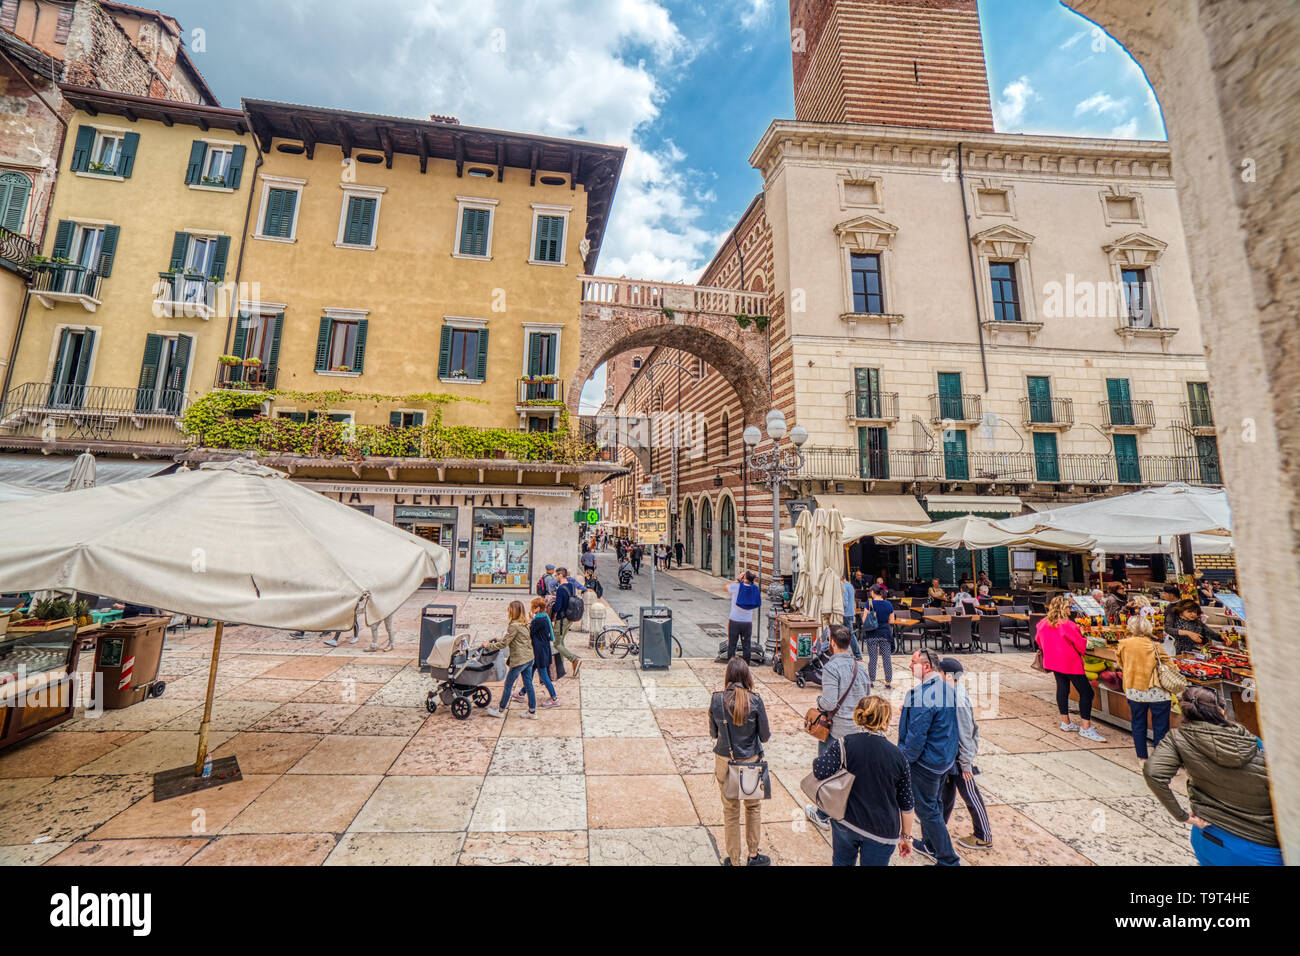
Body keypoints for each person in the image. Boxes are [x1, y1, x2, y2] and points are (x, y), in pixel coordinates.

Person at [1144, 686, 1281, 866]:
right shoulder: (1256, 745)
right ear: (1222, 711)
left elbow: (1152, 773)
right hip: (1259, 848)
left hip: (1207, 837)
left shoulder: (1178, 738)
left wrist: (1183, 816)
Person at [811, 695, 915, 866]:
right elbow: (907, 803)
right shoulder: (898, 756)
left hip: (846, 821)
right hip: (881, 831)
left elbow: (819, 770)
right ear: (885, 721)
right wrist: (906, 836)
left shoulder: (845, 744)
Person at [803, 626, 871, 831]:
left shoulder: (831, 668)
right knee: (850, 771)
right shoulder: (861, 668)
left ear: (832, 642)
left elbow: (830, 702)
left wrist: (819, 702)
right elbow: (867, 699)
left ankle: (823, 814)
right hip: (857, 728)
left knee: (827, 770)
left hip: (836, 730)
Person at [898, 648, 960, 866]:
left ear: (926, 666)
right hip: (944, 759)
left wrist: (902, 761)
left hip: (927, 763)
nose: (909, 665)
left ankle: (948, 859)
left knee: (928, 811)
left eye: (912, 662)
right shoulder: (947, 688)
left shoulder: (923, 696)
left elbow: (916, 739)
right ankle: (931, 844)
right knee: (936, 803)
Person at [708, 657, 772, 866]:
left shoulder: (717, 700)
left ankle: (734, 860)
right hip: (750, 760)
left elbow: (713, 733)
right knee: (752, 808)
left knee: (730, 811)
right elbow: (764, 736)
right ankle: (753, 856)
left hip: (725, 761)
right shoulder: (755, 700)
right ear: (747, 677)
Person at [935, 658, 993, 851]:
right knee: (947, 792)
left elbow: (966, 732)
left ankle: (983, 835)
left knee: (970, 794)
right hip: (954, 756)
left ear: (948, 676)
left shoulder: (957, 699)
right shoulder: (951, 693)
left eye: (939, 671)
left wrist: (966, 763)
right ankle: (938, 829)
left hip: (961, 757)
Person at [1036, 595, 1106, 742]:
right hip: (1069, 663)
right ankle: (1086, 727)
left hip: (1053, 662)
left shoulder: (1043, 623)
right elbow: (1080, 643)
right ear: (1063, 608)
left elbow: (1038, 641)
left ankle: (1065, 722)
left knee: (1062, 689)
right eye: (1068, 606)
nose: (1070, 609)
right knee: (1086, 692)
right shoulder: (1068, 625)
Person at [1115, 610, 1173, 765]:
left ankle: (1142, 757)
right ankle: (1159, 759)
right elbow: (1170, 665)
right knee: (1160, 726)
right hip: (1156, 691)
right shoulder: (1154, 645)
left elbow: (1120, 664)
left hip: (1134, 689)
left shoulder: (1124, 644)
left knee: (1138, 723)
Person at [481, 600, 537, 719]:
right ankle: (532, 712)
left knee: (508, 685)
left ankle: (500, 710)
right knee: (528, 685)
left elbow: (504, 644)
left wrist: (488, 646)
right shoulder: (524, 624)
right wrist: (500, 639)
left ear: (513, 611)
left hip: (520, 660)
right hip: (529, 658)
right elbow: (512, 639)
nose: (508, 611)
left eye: (510, 609)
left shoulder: (513, 626)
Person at [514, 597, 560, 708]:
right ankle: (521, 694)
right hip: (541, 650)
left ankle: (554, 699)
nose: (531, 609)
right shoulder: (544, 617)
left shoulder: (539, 620)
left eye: (533, 607)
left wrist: (530, 619)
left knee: (544, 676)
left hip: (540, 652)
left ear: (538, 608)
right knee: (530, 672)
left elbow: (530, 632)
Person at [549, 567, 583, 678]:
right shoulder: (572, 586)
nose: (555, 578)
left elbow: (558, 607)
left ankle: (574, 659)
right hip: (569, 618)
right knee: (561, 642)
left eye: (556, 575)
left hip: (561, 619)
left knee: (556, 643)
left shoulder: (561, 589)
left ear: (560, 575)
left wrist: (553, 604)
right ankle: (561, 668)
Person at [863, 585, 896, 689]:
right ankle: (888, 682)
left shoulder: (869, 603)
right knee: (887, 658)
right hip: (885, 634)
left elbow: (864, 620)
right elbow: (892, 621)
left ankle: (871, 681)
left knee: (873, 658)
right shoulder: (888, 604)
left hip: (872, 634)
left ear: (873, 592)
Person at [726, 571, 761, 662]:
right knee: (746, 645)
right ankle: (746, 665)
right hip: (747, 622)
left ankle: (731, 664)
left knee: (732, 644)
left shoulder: (736, 586)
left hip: (734, 621)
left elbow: (726, 587)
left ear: (744, 578)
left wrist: (737, 580)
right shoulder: (755, 589)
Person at [841, 573, 862, 660]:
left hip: (845, 613)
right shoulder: (850, 585)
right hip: (850, 612)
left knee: (849, 634)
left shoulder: (844, 587)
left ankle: (857, 654)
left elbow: (844, 602)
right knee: (848, 634)